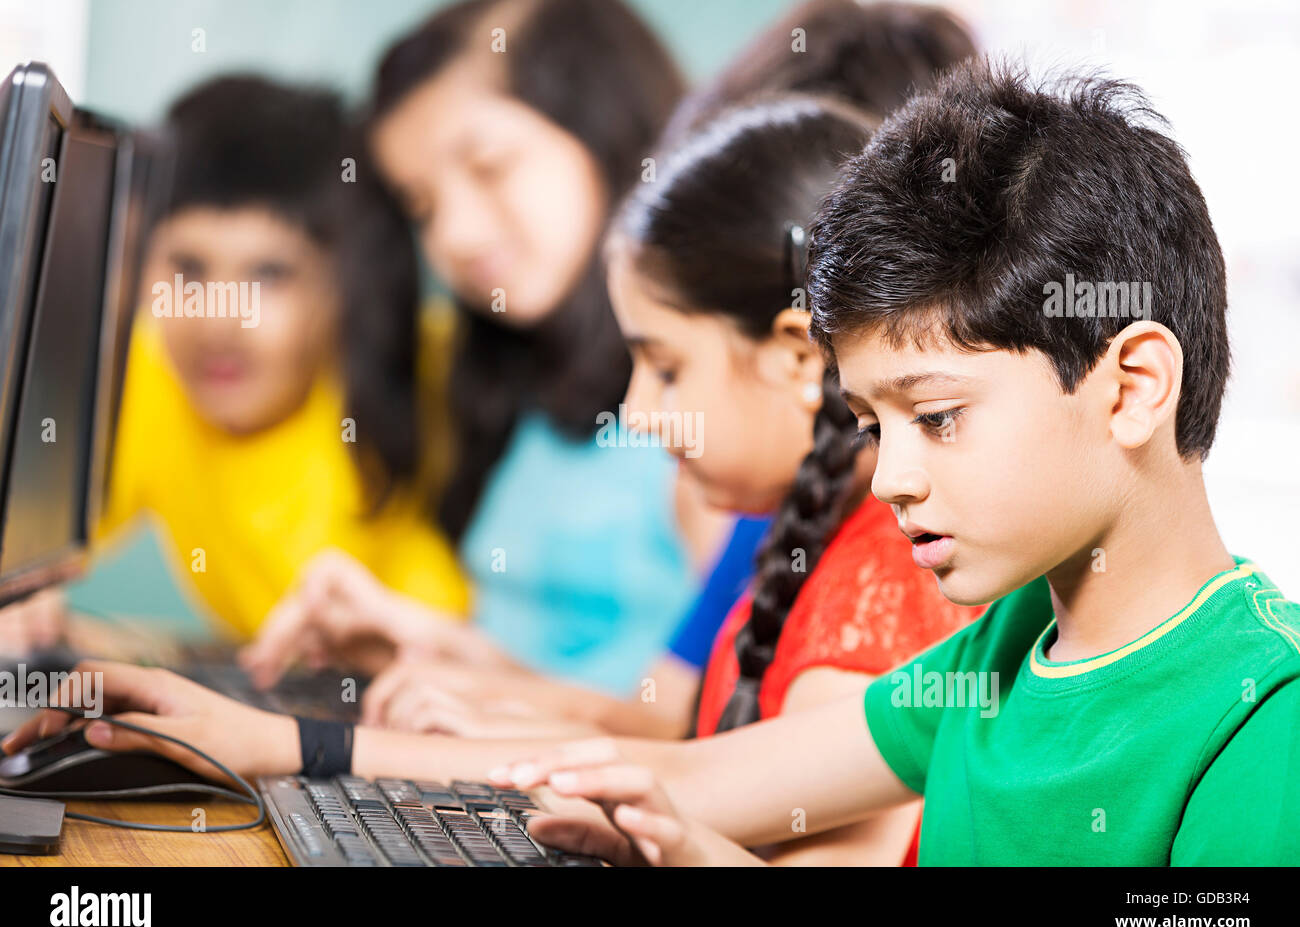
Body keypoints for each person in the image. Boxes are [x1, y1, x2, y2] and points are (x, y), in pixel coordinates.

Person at [4, 94, 983, 866]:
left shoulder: (886, 587)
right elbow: (671, 752)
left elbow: (687, 776)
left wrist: (299, 742)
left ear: (791, 356)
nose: (638, 413)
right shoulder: (784, 529)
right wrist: (305, 739)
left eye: (664, 364)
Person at [483, 60, 1300, 866]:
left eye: (939, 417)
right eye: (873, 423)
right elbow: (701, 778)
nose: (888, 479)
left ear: (1131, 388)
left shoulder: (1267, 717)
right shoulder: (1005, 646)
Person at [239, 0, 717, 697]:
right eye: (422, 205)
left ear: (608, 129)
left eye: (489, 166)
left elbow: (711, 731)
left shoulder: (720, 398)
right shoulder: (518, 382)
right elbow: (546, 673)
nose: (454, 236)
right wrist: (421, 647)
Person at [0, 76, 469, 655]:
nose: (218, 320)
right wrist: (30, 608)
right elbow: (25, 537)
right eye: (188, 268)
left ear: (346, 284)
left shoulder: (436, 368)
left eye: (269, 274)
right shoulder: (146, 380)